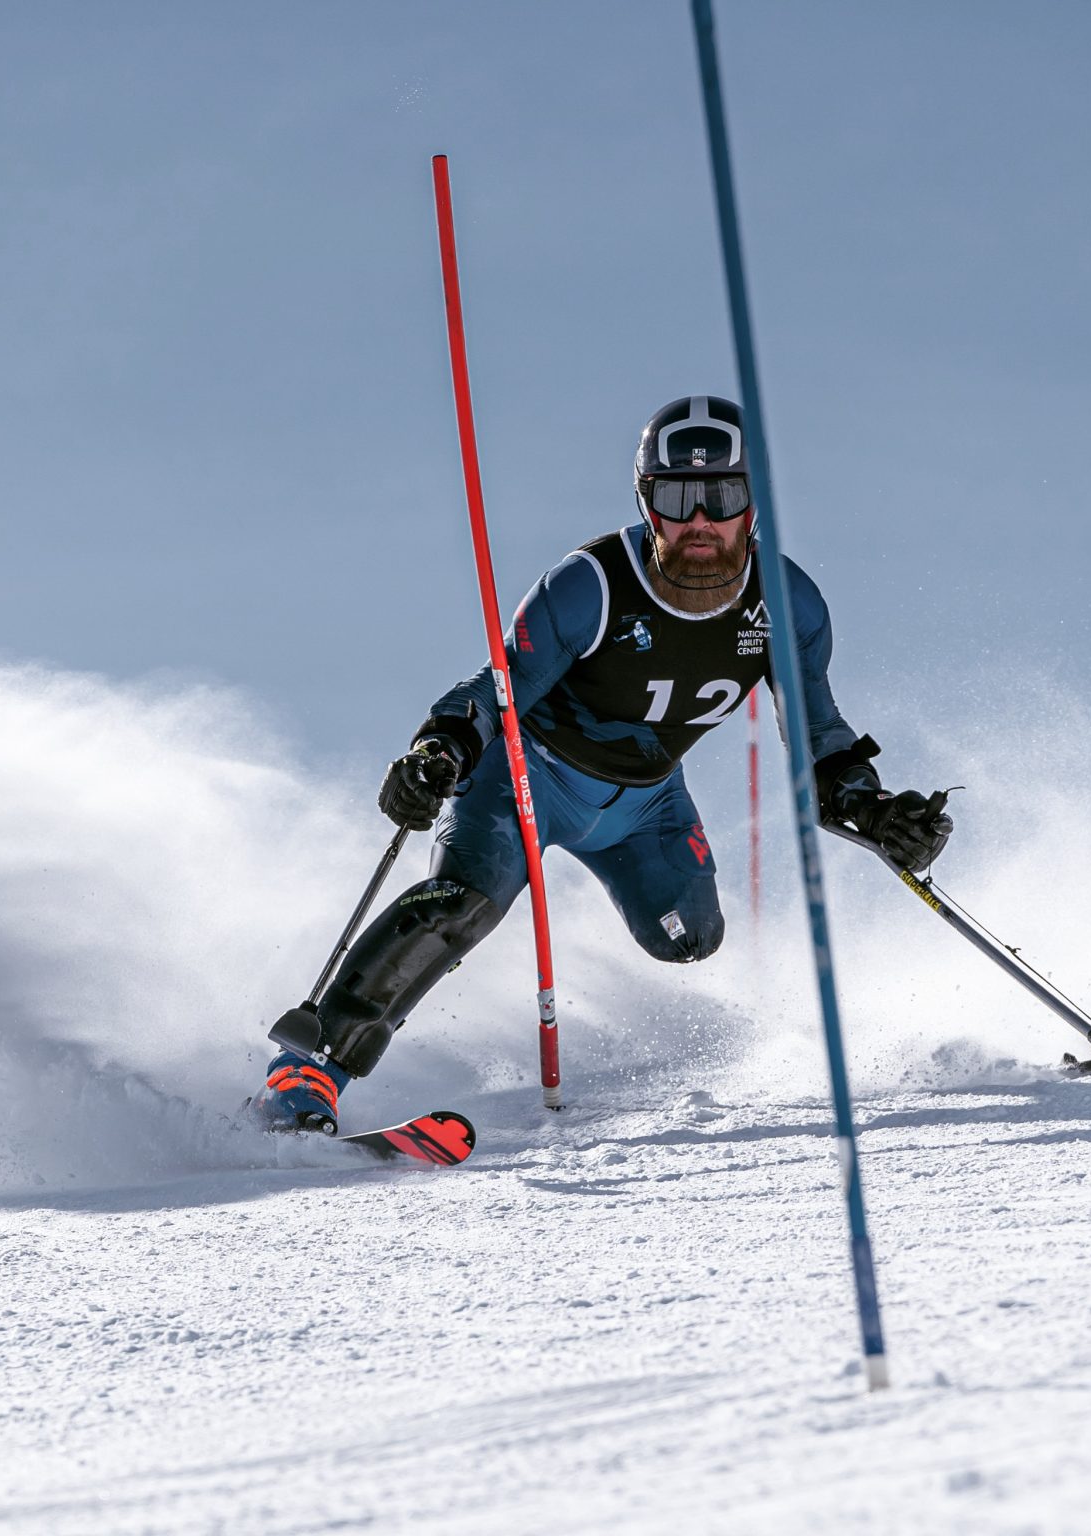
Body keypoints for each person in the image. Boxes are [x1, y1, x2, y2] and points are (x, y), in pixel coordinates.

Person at [250, 395, 953, 1133]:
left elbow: (820, 739)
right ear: (648, 504)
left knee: (690, 940)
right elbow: (496, 689)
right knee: (462, 901)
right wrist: (441, 749)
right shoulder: (593, 584)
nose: (701, 522)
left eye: (723, 496)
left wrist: (870, 807)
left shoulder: (788, 605)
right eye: (680, 499)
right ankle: (307, 1070)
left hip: (646, 805)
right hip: (526, 782)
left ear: (754, 506)